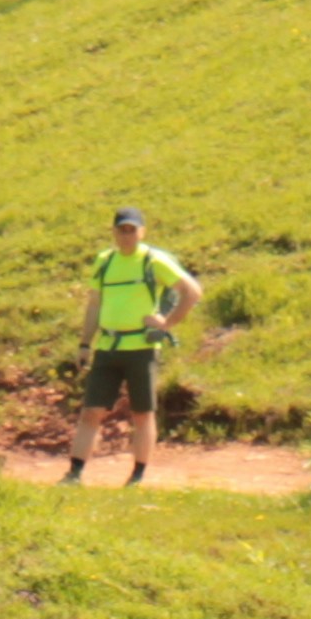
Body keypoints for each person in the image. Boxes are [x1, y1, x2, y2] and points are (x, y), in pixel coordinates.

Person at [64, 206, 196, 482]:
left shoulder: (152, 260)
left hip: (142, 349)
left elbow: (191, 292)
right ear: (113, 232)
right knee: (91, 411)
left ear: (142, 232)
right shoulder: (104, 261)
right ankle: (74, 474)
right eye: (121, 230)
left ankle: (137, 475)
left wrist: (167, 323)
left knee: (142, 414)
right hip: (108, 347)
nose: (126, 236)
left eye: (131, 230)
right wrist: (85, 344)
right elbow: (94, 304)